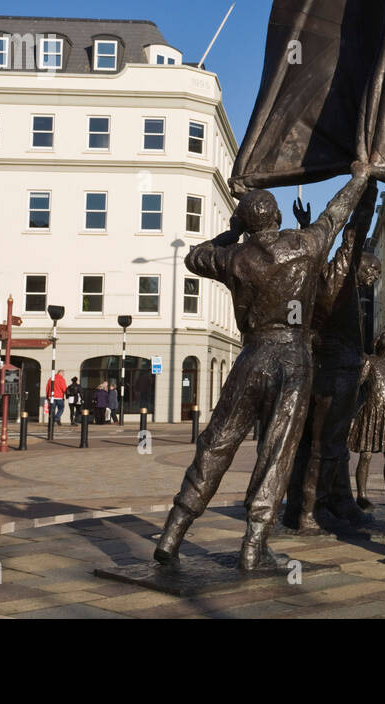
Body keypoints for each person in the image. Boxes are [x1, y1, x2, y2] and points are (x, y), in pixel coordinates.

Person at [153, 163, 372, 570]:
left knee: (216, 443)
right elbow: (336, 214)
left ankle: (173, 532)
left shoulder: (234, 256)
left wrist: (234, 229)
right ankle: (254, 545)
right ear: (277, 218)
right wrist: (360, 177)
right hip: (292, 357)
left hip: (251, 357)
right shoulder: (306, 244)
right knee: (276, 451)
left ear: (245, 222)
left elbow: (195, 257)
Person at [282, 181, 380, 534]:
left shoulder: (307, 278)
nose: (370, 278)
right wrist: (368, 184)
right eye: (368, 271)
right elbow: (355, 230)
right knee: (328, 443)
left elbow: (317, 250)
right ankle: (311, 510)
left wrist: (306, 228)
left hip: (318, 367)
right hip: (338, 369)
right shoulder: (339, 277)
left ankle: (331, 503)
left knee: (316, 440)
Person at [348, 330, 385, 509]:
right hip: (370, 413)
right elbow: (357, 383)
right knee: (365, 455)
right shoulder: (370, 361)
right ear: (377, 342)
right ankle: (362, 496)